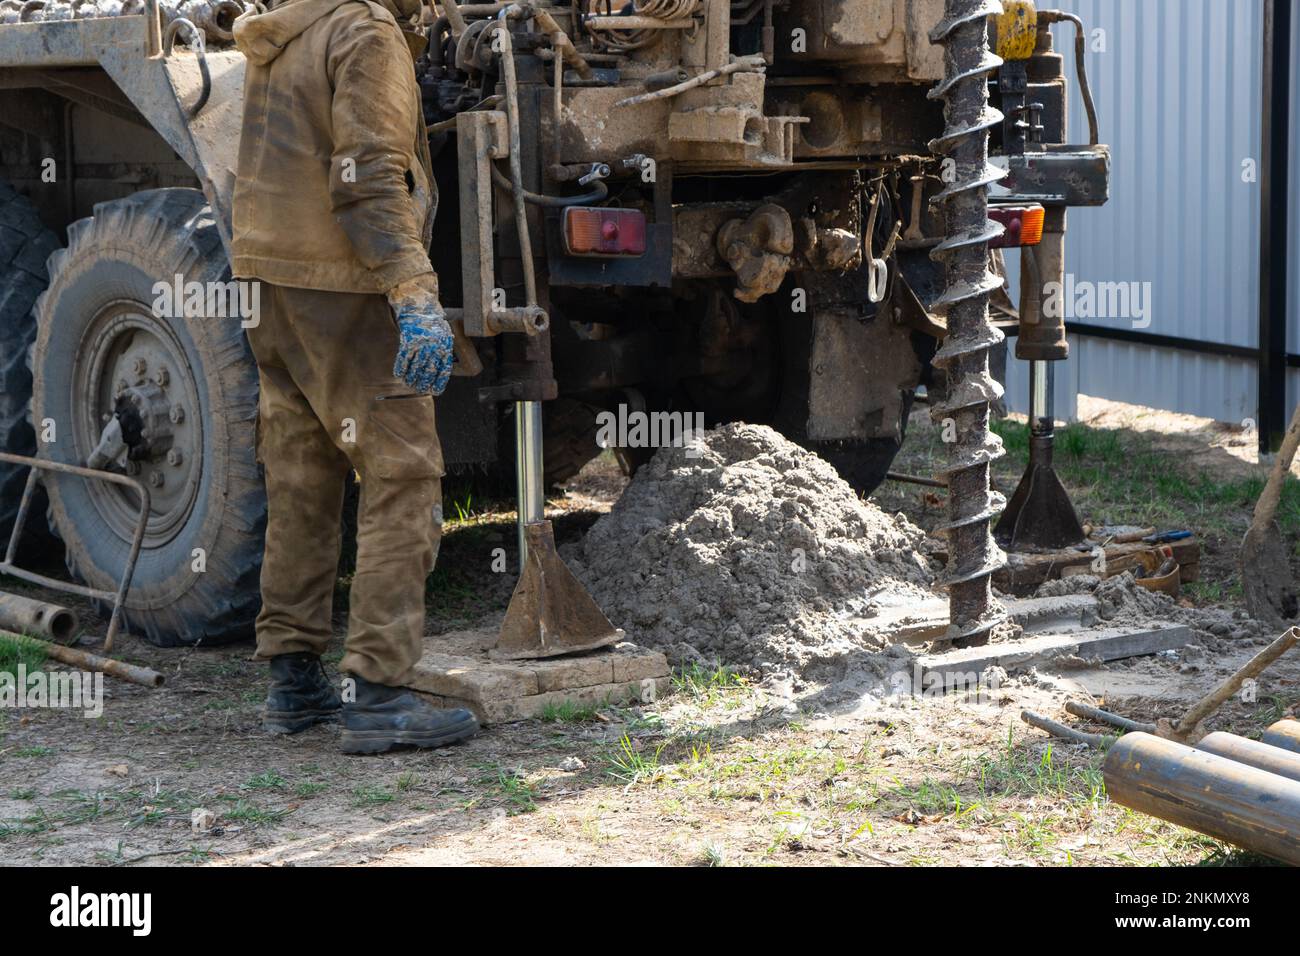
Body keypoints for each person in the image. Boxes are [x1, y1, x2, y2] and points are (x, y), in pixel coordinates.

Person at [230, 0, 478, 753]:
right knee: (403, 472)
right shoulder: (365, 32)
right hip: (345, 287)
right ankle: (378, 692)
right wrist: (413, 293)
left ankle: (295, 682)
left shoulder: (287, 27)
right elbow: (367, 177)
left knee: (302, 475)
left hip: (269, 282)